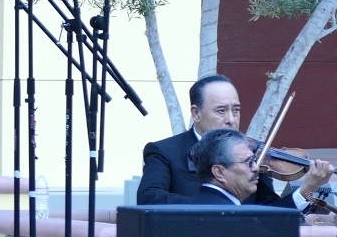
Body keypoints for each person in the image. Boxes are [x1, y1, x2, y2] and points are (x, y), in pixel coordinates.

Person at [137, 74, 331, 206]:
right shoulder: (164, 151)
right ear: (196, 113)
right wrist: (218, 206)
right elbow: (149, 198)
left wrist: (307, 188)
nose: (231, 119)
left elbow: (273, 213)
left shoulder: (252, 154)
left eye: (236, 110)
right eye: (221, 111)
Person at [188, 129, 262, 204]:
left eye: (254, 160)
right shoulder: (231, 214)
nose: (256, 168)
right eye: (247, 162)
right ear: (219, 172)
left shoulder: (195, 204)